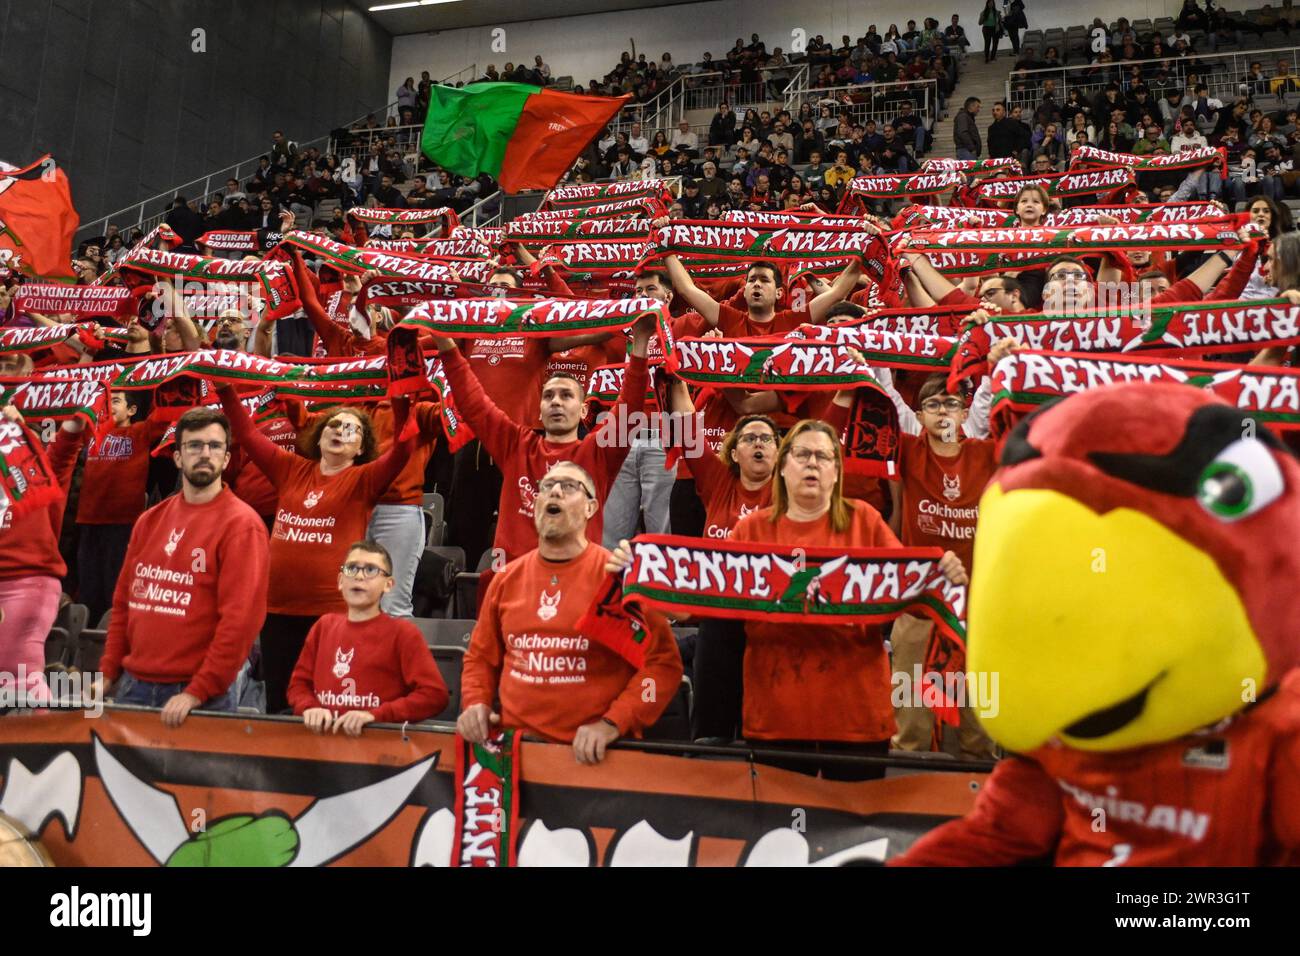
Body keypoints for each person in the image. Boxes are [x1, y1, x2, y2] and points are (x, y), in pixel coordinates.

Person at [458, 462, 683, 763]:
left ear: (591, 508)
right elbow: (480, 659)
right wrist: (475, 702)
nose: (555, 491)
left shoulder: (620, 579)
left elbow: (663, 671)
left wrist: (614, 722)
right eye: (547, 486)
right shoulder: (505, 579)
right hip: (517, 757)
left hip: (595, 762)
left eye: (569, 486)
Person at [216, 389, 419, 715]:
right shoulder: (289, 468)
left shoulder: (364, 479)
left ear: (362, 448)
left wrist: (400, 391)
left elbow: (404, 446)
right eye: (333, 425)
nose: (340, 430)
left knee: (326, 705)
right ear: (318, 435)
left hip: (333, 615)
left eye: (351, 428)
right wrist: (226, 389)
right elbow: (246, 433)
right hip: (277, 612)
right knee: (280, 707)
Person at [97, 407, 269, 727]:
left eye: (215, 446)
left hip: (199, 698)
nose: (205, 454)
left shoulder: (243, 526)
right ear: (177, 457)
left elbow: (240, 622)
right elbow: (124, 604)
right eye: (194, 445)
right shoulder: (149, 520)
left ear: (227, 459)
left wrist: (198, 691)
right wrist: (107, 673)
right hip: (133, 685)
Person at [290, 540, 449, 734]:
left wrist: (377, 716)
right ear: (340, 580)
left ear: (388, 584)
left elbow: (434, 695)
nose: (359, 576)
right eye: (352, 568)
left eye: (371, 570)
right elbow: (298, 685)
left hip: (379, 749)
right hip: (322, 744)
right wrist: (309, 706)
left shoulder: (403, 633)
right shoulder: (324, 626)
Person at [0, 405, 88, 708]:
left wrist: (79, 416)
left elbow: (65, 449)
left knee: (18, 673)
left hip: (28, 584)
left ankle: (50, 743)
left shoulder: (42, 476)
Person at [74, 389, 168, 625]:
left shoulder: (138, 432)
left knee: (114, 589)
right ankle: (86, 648)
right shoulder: (90, 434)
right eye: (105, 402)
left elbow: (165, 416)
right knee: (88, 590)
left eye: (115, 401)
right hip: (87, 521)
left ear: (132, 410)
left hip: (122, 524)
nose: (109, 406)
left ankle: (112, 644)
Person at [954, 97, 982, 161]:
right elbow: (963, 133)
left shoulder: (966, 117)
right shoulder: (963, 116)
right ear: (971, 106)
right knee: (970, 171)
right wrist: (972, 148)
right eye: (977, 107)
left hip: (967, 151)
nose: (978, 109)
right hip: (966, 151)